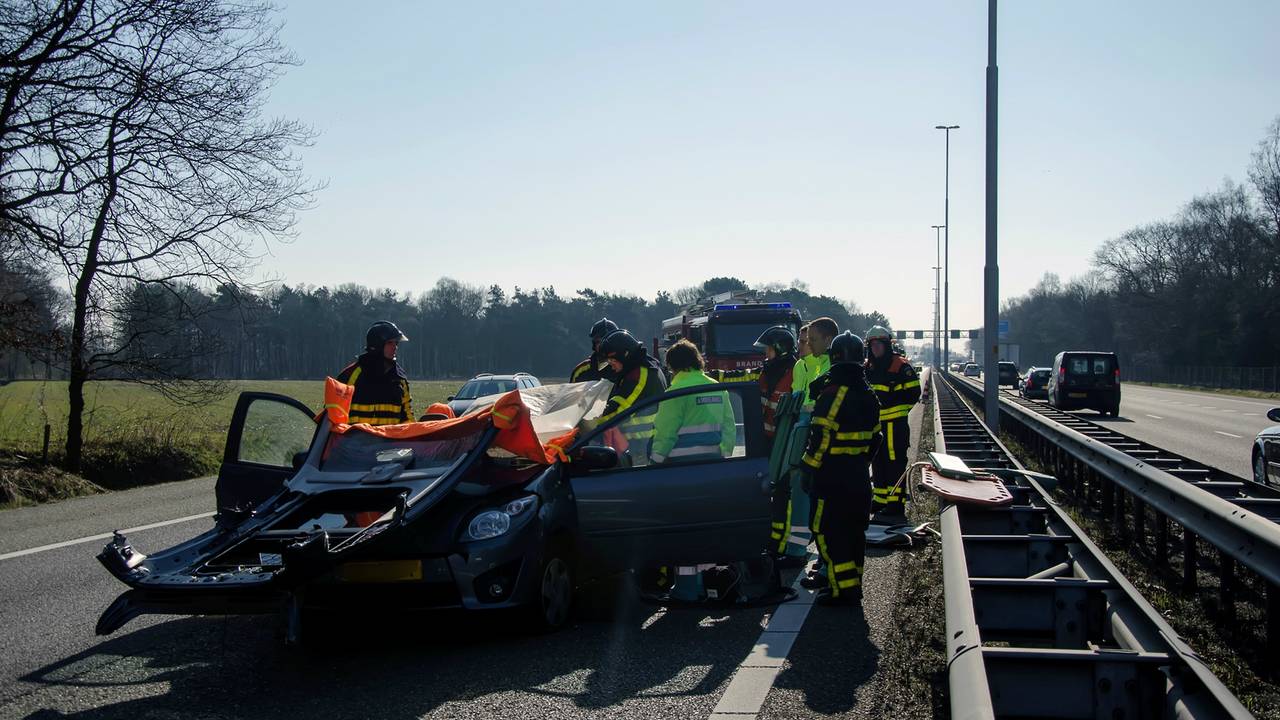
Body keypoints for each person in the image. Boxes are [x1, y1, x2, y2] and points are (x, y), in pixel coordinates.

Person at [795, 331, 881, 606]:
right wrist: (859, 463)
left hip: (831, 478)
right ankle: (850, 585)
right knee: (854, 532)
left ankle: (840, 590)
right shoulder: (869, 394)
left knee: (827, 530)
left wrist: (808, 469)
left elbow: (820, 438)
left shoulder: (833, 394)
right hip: (858, 477)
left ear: (833, 359)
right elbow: (875, 438)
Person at [864, 325, 921, 519]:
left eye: (879, 345)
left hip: (895, 427)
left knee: (894, 464)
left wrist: (895, 409)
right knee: (878, 464)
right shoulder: (868, 367)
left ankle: (895, 505)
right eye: (873, 346)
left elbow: (914, 393)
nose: (876, 349)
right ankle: (880, 501)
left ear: (887, 345)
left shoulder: (900, 366)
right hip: (877, 426)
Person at [649, 339, 736, 464]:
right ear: (698, 360)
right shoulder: (718, 389)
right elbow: (729, 428)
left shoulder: (674, 393)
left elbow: (665, 433)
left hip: (680, 467)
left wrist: (655, 460)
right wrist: (724, 456)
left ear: (672, 366)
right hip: (714, 463)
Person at [597, 329, 668, 463]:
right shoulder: (646, 366)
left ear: (625, 355)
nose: (612, 367)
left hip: (642, 448)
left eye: (613, 361)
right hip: (643, 445)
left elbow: (617, 410)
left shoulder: (639, 374)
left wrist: (590, 423)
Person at [336, 321, 413, 425]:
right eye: (390, 343)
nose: (395, 347)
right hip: (356, 440)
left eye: (396, 343)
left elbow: (408, 418)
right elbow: (334, 418)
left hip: (390, 441)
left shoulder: (399, 378)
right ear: (377, 345)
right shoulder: (351, 375)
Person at [571, 318, 618, 383]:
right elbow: (571, 392)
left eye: (607, 341)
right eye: (599, 342)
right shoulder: (581, 372)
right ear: (594, 344)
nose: (604, 346)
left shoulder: (625, 368)